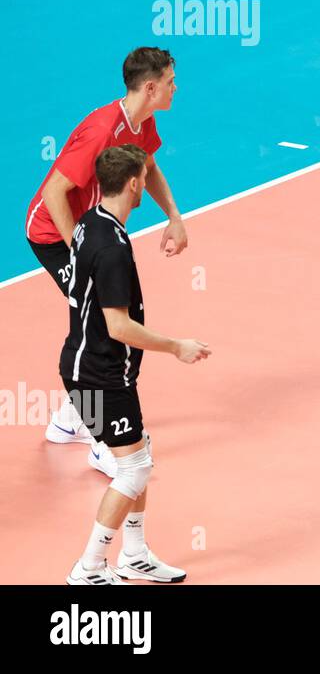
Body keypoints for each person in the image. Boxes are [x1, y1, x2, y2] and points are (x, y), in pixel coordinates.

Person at [26, 47, 188, 480]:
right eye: (172, 81)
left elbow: (148, 166)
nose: (176, 87)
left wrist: (174, 216)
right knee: (103, 324)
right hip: (54, 235)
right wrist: (80, 250)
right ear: (151, 87)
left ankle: (67, 420)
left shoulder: (142, 122)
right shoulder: (101, 131)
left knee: (94, 321)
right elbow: (53, 194)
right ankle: (103, 440)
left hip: (86, 235)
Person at [62, 145, 211, 585]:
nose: (147, 183)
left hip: (82, 368)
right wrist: (176, 346)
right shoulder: (111, 248)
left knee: (138, 451)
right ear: (132, 183)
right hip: (100, 376)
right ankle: (89, 567)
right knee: (133, 468)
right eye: (144, 177)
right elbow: (120, 326)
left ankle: (135, 554)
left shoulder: (90, 224)